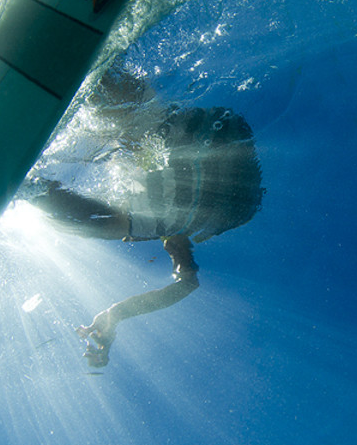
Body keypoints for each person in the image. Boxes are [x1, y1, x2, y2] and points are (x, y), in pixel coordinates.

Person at [19, 70, 264, 366]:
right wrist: (115, 314)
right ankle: (30, 190)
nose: (166, 249)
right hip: (206, 163)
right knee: (114, 219)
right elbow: (187, 284)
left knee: (141, 127)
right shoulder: (175, 225)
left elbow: (187, 280)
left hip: (212, 137)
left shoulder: (175, 222)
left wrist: (115, 315)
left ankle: (103, 68)